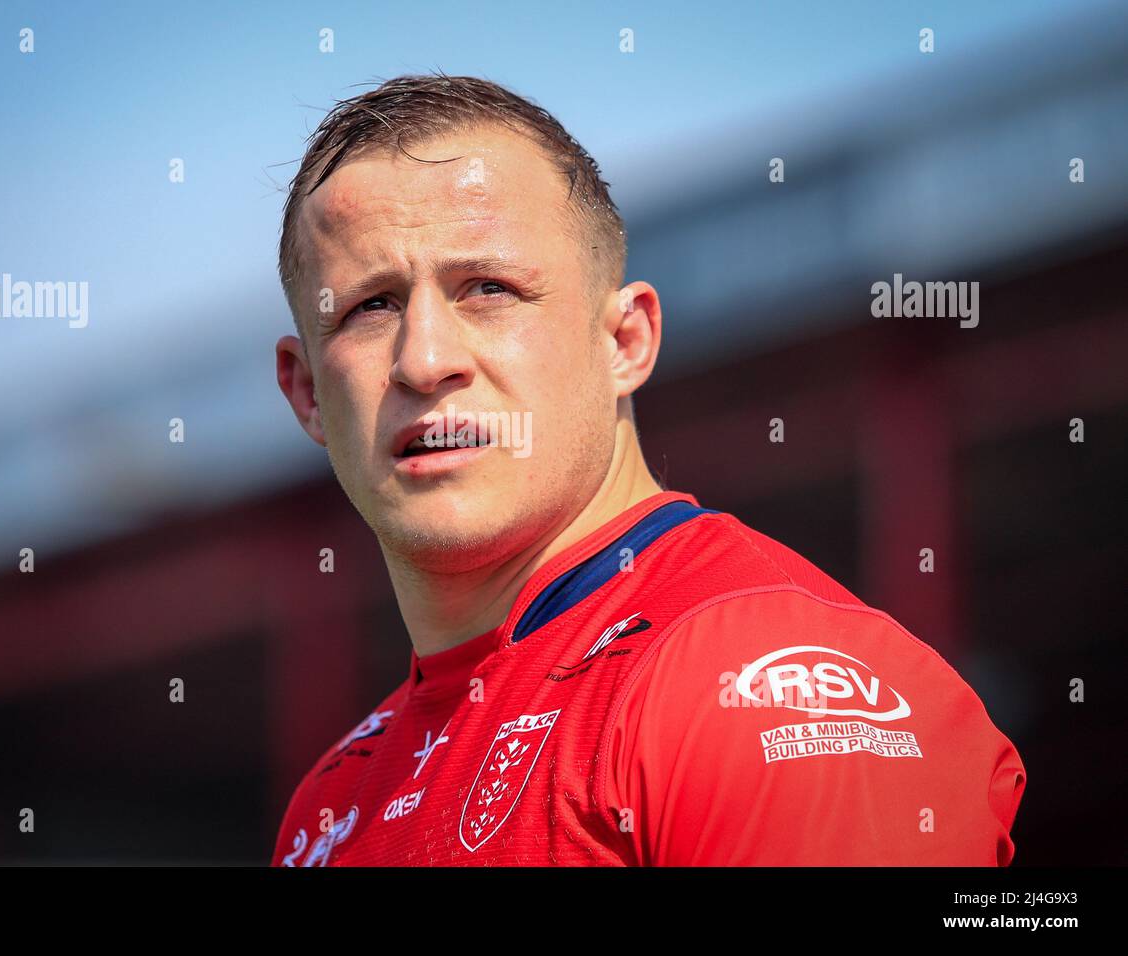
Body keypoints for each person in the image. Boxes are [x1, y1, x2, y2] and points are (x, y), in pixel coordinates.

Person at [270, 73, 1025, 866]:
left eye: (488, 289)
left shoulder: (763, 683)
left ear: (625, 342)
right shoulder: (331, 807)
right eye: (370, 308)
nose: (425, 362)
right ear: (307, 392)